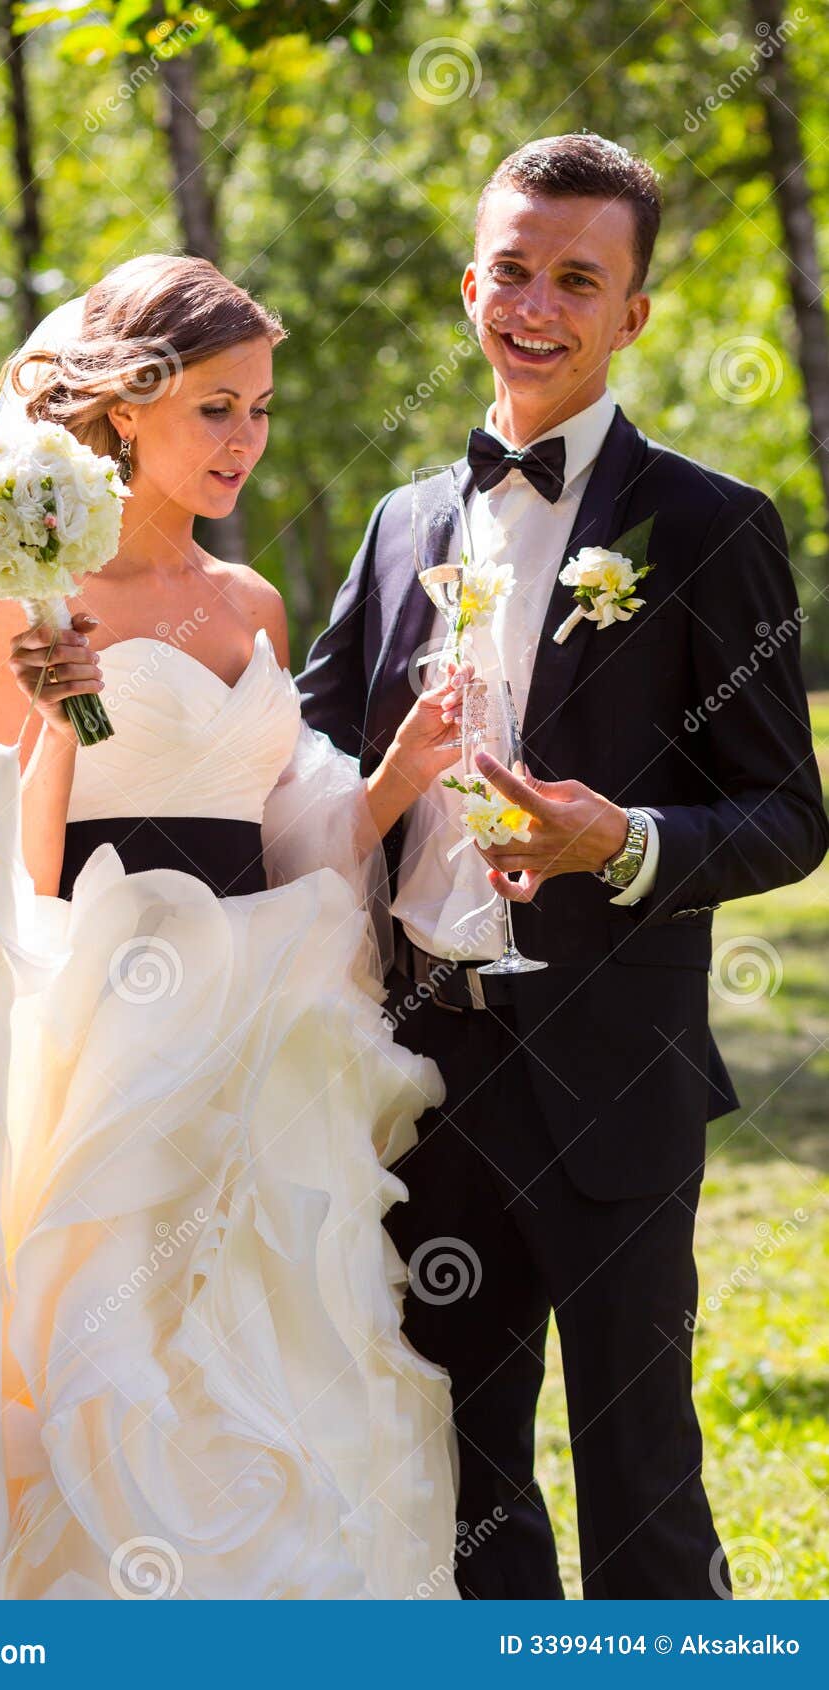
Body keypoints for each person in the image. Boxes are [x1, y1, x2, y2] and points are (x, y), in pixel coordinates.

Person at [0, 255, 464, 1600]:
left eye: (260, 409)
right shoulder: (30, 597)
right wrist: (55, 733)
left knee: (282, 1346)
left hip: (263, 1029)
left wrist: (400, 777)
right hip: (104, 1016)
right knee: (106, 1346)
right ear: (129, 410)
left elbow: (287, 840)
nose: (246, 441)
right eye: (216, 408)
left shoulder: (253, 603)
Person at [296, 133, 829, 1599]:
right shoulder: (406, 519)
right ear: (473, 283)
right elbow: (304, 748)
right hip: (419, 1071)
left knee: (639, 1460)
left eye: (578, 279)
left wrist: (629, 840)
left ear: (634, 313)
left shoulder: (710, 525)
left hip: (614, 1072)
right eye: (514, 270)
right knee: (463, 1477)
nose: (537, 301)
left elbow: (790, 812)